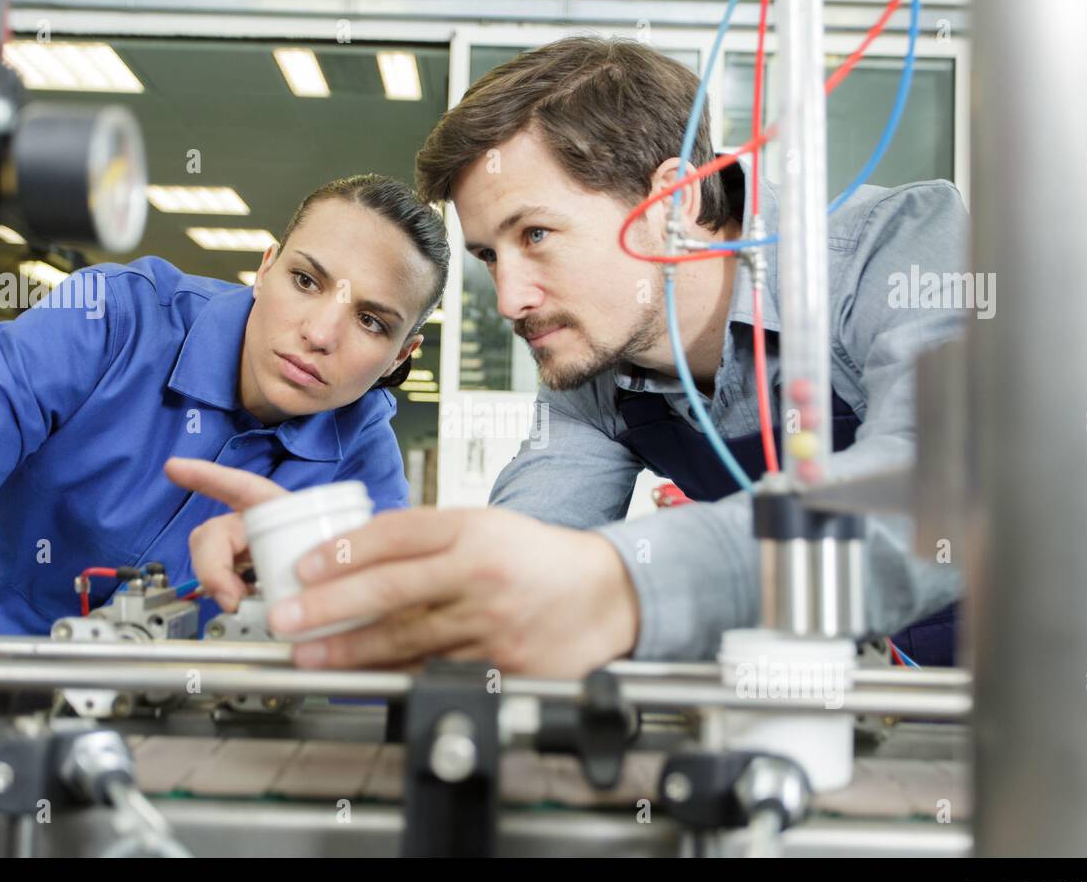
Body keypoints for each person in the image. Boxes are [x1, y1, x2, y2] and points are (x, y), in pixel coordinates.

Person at [170, 37, 967, 675]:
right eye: (489, 255)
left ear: (677, 199)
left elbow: (947, 493)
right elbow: (529, 545)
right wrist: (332, 568)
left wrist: (623, 585)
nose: (511, 298)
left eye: (537, 235)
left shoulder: (892, 252)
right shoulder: (594, 369)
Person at [0, 174, 449, 635]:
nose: (321, 333)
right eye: (304, 281)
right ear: (265, 268)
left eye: (371, 321)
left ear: (402, 356)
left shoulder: (361, 464)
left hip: (149, 722)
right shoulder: (110, 319)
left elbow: (381, 648)